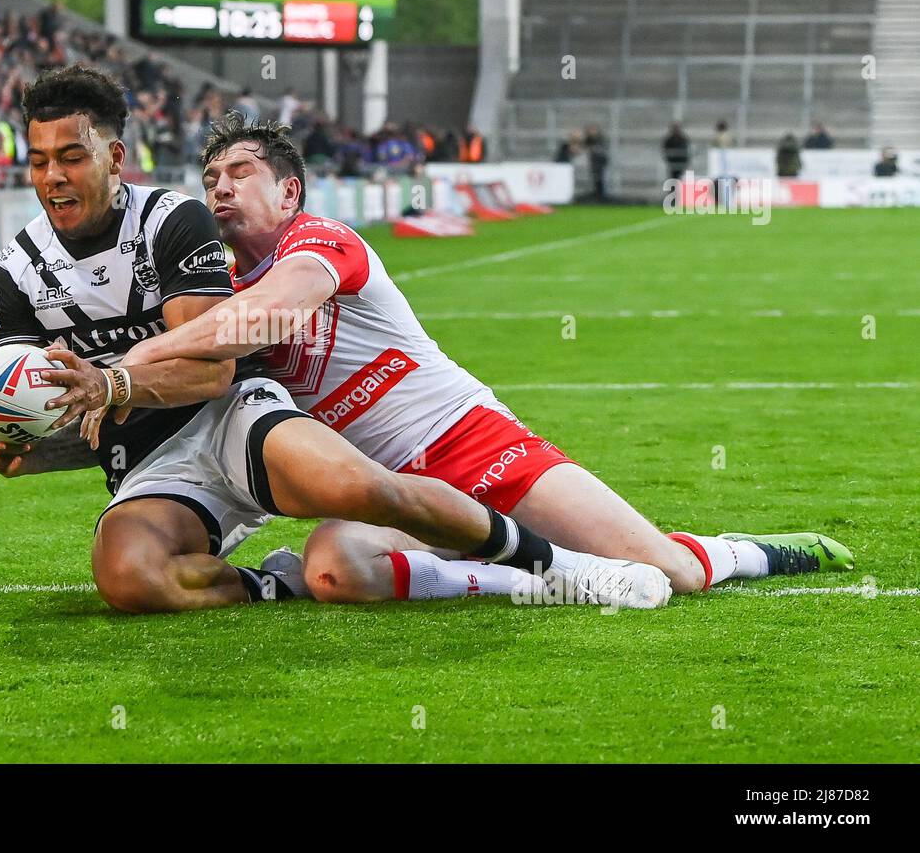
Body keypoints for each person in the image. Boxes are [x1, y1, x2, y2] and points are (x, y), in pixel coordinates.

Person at [0, 67, 672, 613]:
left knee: (357, 486)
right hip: (150, 463)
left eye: (72, 156)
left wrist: (117, 376)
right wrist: (22, 439)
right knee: (128, 580)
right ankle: (274, 586)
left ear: (114, 155)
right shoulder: (11, 276)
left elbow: (210, 370)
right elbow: (61, 410)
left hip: (230, 414)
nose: (53, 175)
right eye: (38, 159)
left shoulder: (174, 222)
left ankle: (564, 567)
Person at [117, 113, 856, 603]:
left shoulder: (321, 240)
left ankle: (744, 551)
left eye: (239, 173)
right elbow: (195, 372)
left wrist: (134, 359)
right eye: (210, 176)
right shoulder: (214, 293)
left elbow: (264, 317)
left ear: (289, 190)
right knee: (333, 567)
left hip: (470, 443)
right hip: (394, 487)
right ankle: (529, 578)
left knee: (672, 573)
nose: (219, 186)